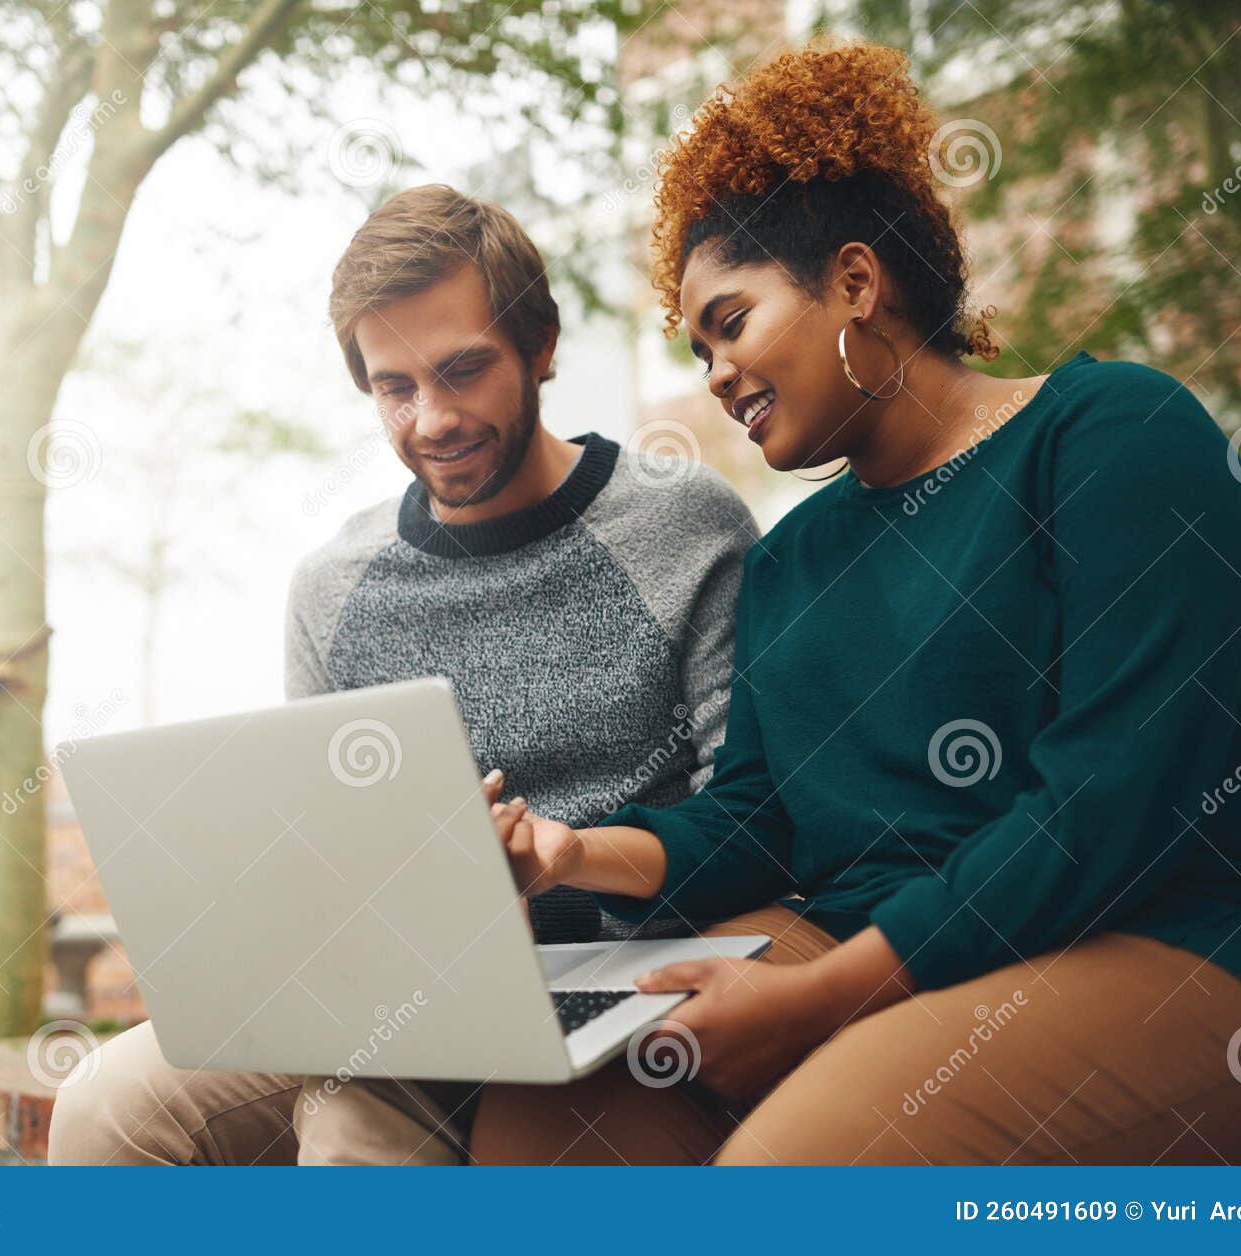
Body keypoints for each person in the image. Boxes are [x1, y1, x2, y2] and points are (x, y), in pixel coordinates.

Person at [468, 43, 1241, 1166]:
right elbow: (756, 820)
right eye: (697, 347)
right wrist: (568, 852)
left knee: (796, 1170)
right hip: (869, 941)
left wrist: (822, 1000)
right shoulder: (790, 560)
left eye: (731, 320)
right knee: (544, 1126)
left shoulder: (1115, 434)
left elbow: (1109, 802)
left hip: (1173, 936)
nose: (713, 372)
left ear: (857, 284)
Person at [47, 184, 759, 1165]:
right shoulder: (332, 584)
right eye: (394, 387)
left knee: (352, 1129)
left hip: (621, 974)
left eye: (464, 370)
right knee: (102, 1106)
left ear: (541, 346)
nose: (433, 418)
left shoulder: (683, 524)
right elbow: (320, 865)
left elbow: (751, 823)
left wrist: (554, 880)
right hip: (401, 993)